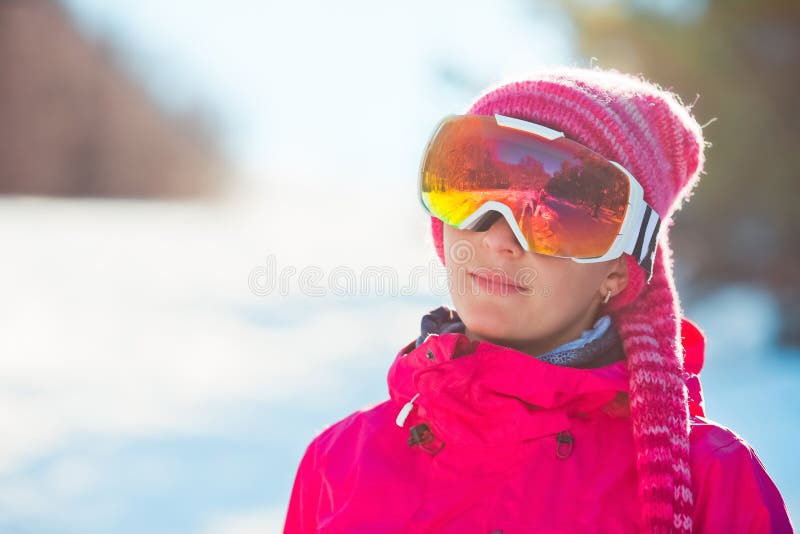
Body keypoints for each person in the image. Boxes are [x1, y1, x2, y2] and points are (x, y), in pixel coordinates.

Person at [283, 66, 795, 533]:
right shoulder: (340, 463)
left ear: (618, 269)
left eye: (558, 210)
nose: (499, 239)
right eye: (476, 189)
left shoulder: (708, 480)